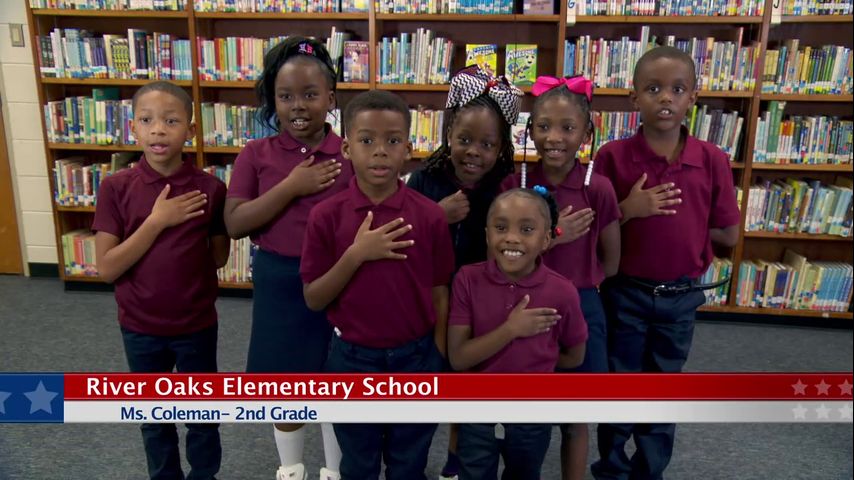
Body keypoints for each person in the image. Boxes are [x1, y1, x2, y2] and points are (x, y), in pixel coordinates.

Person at [591, 46, 740, 480]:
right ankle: (612, 470)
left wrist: (689, 233)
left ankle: (649, 471)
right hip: (624, 295)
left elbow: (728, 233)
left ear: (693, 97)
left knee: (664, 387)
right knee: (620, 386)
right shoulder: (612, 157)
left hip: (679, 297)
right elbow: (596, 226)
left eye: (677, 89)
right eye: (653, 89)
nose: (665, 99)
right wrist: (628, 209)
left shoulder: (711, 159)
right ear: (634, 98)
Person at [300, 90, 455, 480]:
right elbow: (314, 297)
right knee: (359, 464)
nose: (380, 152)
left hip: (417, 360)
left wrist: (436, 353)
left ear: (408, 147)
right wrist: (356, 254)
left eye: (392, 140)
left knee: (408, 463)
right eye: (367, 141)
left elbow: (440, 289)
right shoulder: (326, 216)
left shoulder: (430, 216)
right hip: (351, 361)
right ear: (348, 148)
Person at [223, 36, 351, 480]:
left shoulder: (351, 154)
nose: (298, 106)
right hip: (280, 280)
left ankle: (335, 470)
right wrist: (292, 186)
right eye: (286, 96)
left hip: (341, 279)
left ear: (331, 99)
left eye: (311, 95)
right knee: (286, 382)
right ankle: (291, 467)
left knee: (337, 381)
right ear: (273, 101)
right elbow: (236, 222)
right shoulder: (255, 155)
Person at [93, 80, 228, 480]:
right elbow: (107, 268)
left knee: (203, 416)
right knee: (154, 418)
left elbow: (218, 255)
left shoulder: (210, 188)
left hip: (196, 325)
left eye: (171, 121)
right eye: (147, 120)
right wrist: (157, 222)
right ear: (133, 127)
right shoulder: (116, 188)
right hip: (140, 327)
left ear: (190, 128)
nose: (158, 130)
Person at [406, 65, 522, 480]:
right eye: (465, 140)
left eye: (487, 144)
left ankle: (457, 457)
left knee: (465, 381)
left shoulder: (503, 188)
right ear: (449, 133)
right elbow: (400, 236)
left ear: (501, 147)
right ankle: (412, 459)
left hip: (479, 303)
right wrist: (438, 216)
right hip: (427, 300)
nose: (474, 151)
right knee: (428, 380)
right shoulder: (424, 180)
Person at [503, 75, 621, 480]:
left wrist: (579, 282)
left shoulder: (598, 188)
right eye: (543, 126)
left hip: (581, 305)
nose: (554, 137)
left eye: (568, 128)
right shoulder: (513, 184)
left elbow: (613, 260)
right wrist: (553, 238)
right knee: (527, 413)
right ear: (529, 130)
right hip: (522, 306)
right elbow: (502, 257)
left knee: (576, 415)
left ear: (587, 133)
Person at [448, 187, 588, 480]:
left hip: (532, 414)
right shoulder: (467, 280)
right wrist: (511, 330)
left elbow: (575, 355)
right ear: (488, 235)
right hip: (477, 412)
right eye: (501, 228)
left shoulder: (562, 291)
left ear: (546, 239)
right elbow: (459, 357)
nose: (511, 238)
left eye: (526, 229)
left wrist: (537, 362)